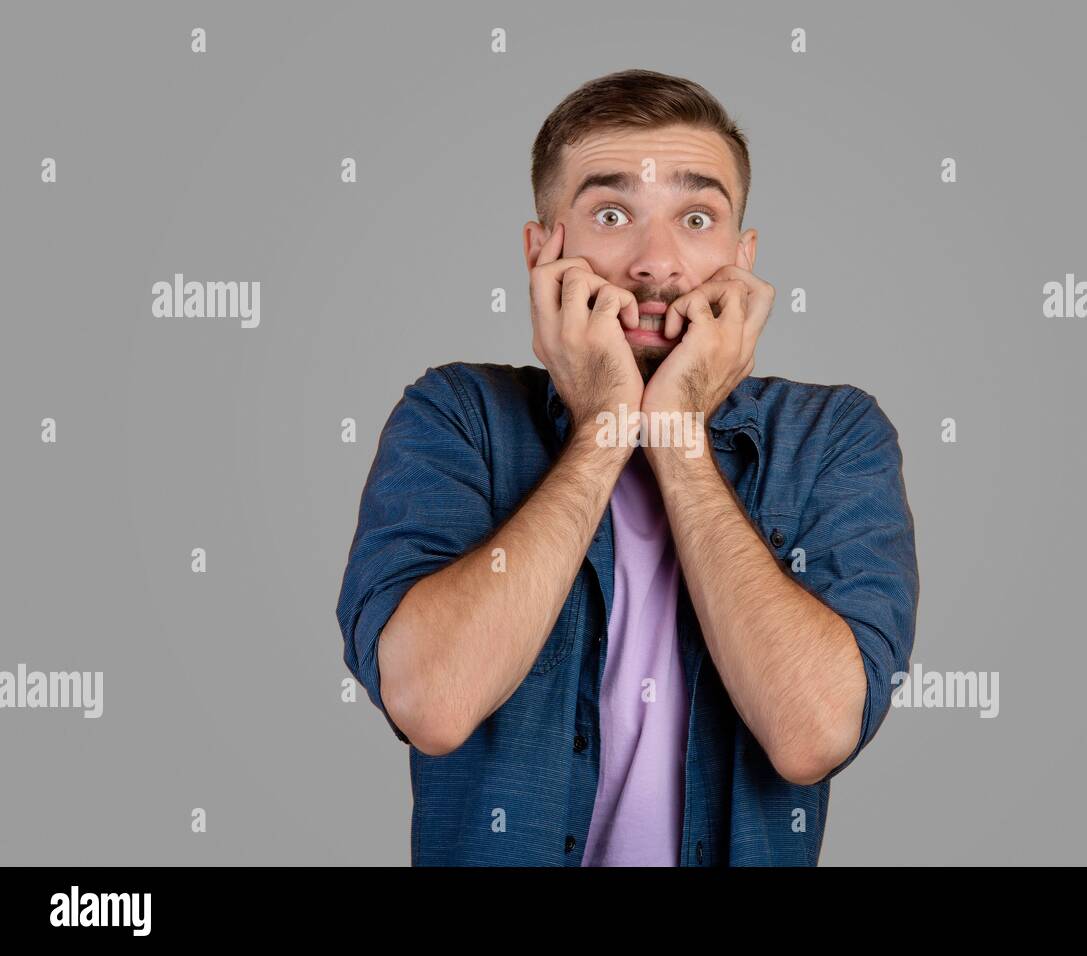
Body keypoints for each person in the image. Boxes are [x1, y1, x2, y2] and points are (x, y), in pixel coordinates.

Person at [336, 68, 919, 866]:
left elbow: (810, 733)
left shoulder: (835, 436)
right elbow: (433, 703)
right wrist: (605, 425)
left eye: (697, 217)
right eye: (612, 214)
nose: (657, 263)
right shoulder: (457, 416)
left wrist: (678, 437)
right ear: (544, 249)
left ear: (742, 258)